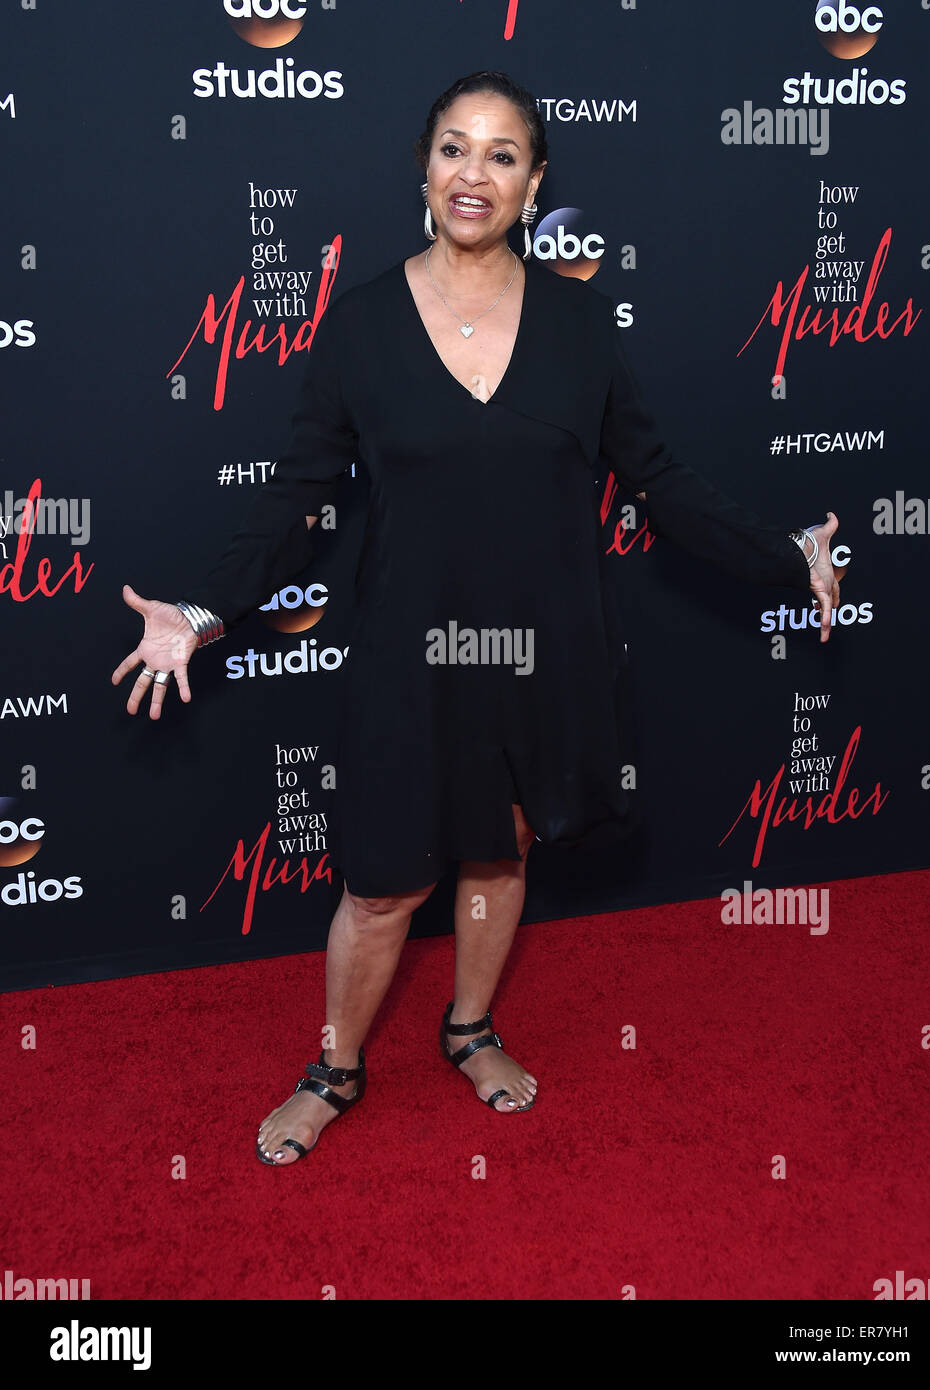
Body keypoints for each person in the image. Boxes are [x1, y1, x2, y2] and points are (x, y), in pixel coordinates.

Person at [111, 70, 841, 1166]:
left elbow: (660, 480)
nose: (475, 173)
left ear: (535, 182)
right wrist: (203, 611)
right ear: (424, 166)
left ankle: (469, 1030)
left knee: (501, 853)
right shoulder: (360, 326)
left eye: (503, 155)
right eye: (457, 148)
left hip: (549, 647)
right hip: (412, 650)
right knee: (382, 883)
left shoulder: (583, 324)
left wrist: (785, 556)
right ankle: (335, 1067)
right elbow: (294, 503)